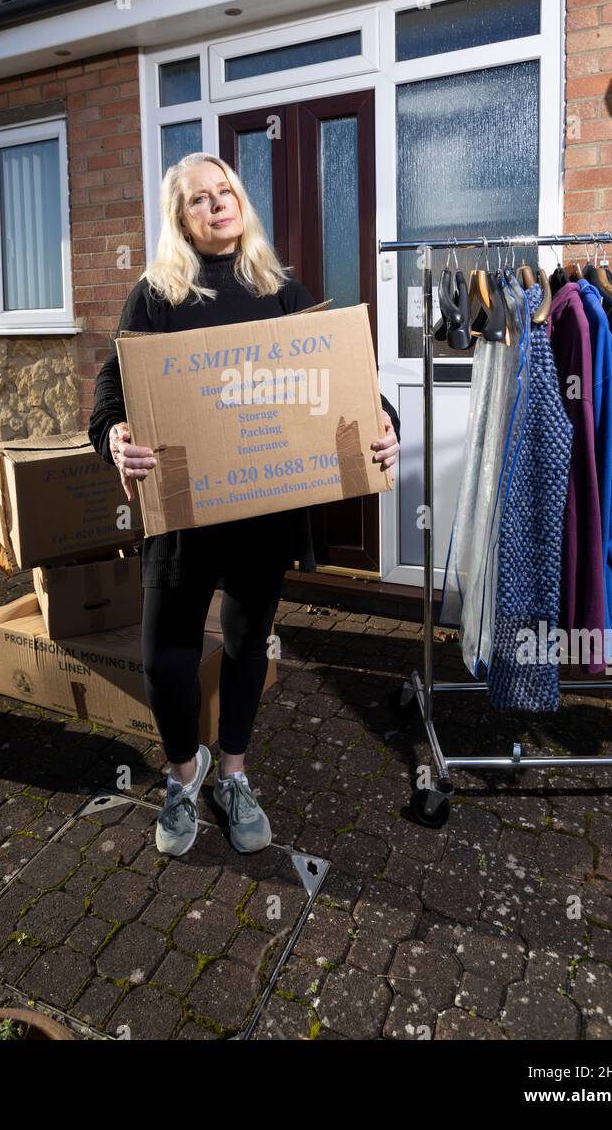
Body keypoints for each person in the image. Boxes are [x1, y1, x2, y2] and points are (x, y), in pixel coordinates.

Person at [88, 152, 401, 857]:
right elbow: (112, 388)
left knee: (243, 643)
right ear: (180, 218)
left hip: (263, 513)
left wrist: (383, 424)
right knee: (165, 658)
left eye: (224, 191)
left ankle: (233, 772)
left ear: (241, 202)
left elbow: (342, 381)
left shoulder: (280, 290)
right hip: (184, 514)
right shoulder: (155, 295)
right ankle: (181, 774)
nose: (216, 205)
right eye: (198, 199)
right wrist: (112, 435)